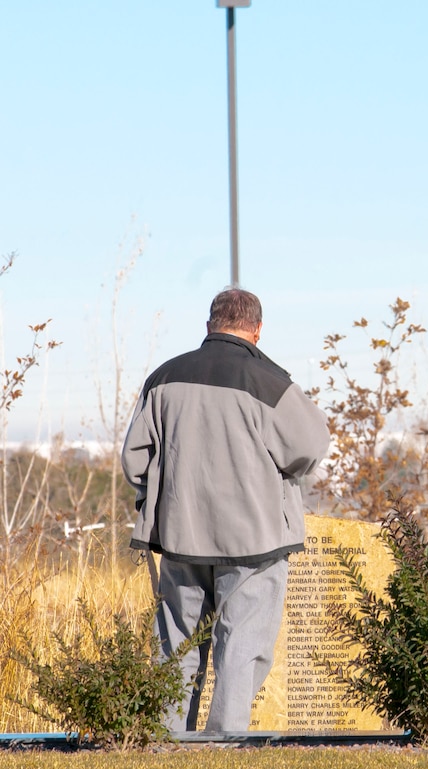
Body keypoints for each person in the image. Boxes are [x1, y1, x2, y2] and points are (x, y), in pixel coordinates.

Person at [122, 287, 330, 732]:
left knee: (177, 641)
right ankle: (226, 742)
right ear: (257, 330)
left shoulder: (163, 378)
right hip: (256, 537)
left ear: (208, 325)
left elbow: (135, 460)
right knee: (241, 643)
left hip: (180, 535)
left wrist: (164, 499)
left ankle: (167, 738)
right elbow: (311, 448)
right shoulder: (271, 382)